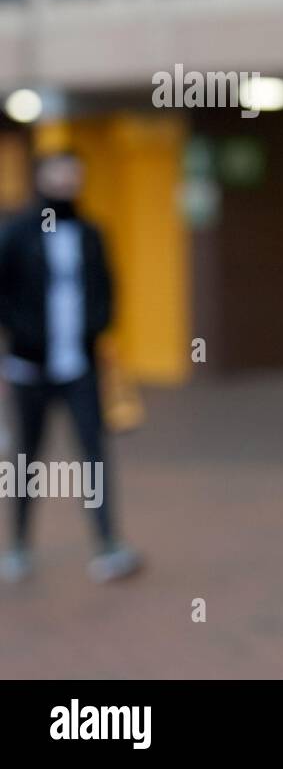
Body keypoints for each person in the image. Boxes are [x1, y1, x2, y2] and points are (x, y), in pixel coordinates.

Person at [0, 151, 142, 583]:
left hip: (80, 366)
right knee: (28, 457)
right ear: (42, 178)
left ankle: (108, 543)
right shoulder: (17, 232)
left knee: (93, 453)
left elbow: (107, 288)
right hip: (30, 367)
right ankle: (19, 545)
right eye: (58, 175)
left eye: (74, 175)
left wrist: (97, 327)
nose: (67, 183)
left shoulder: (90, 233)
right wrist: (24, 333)